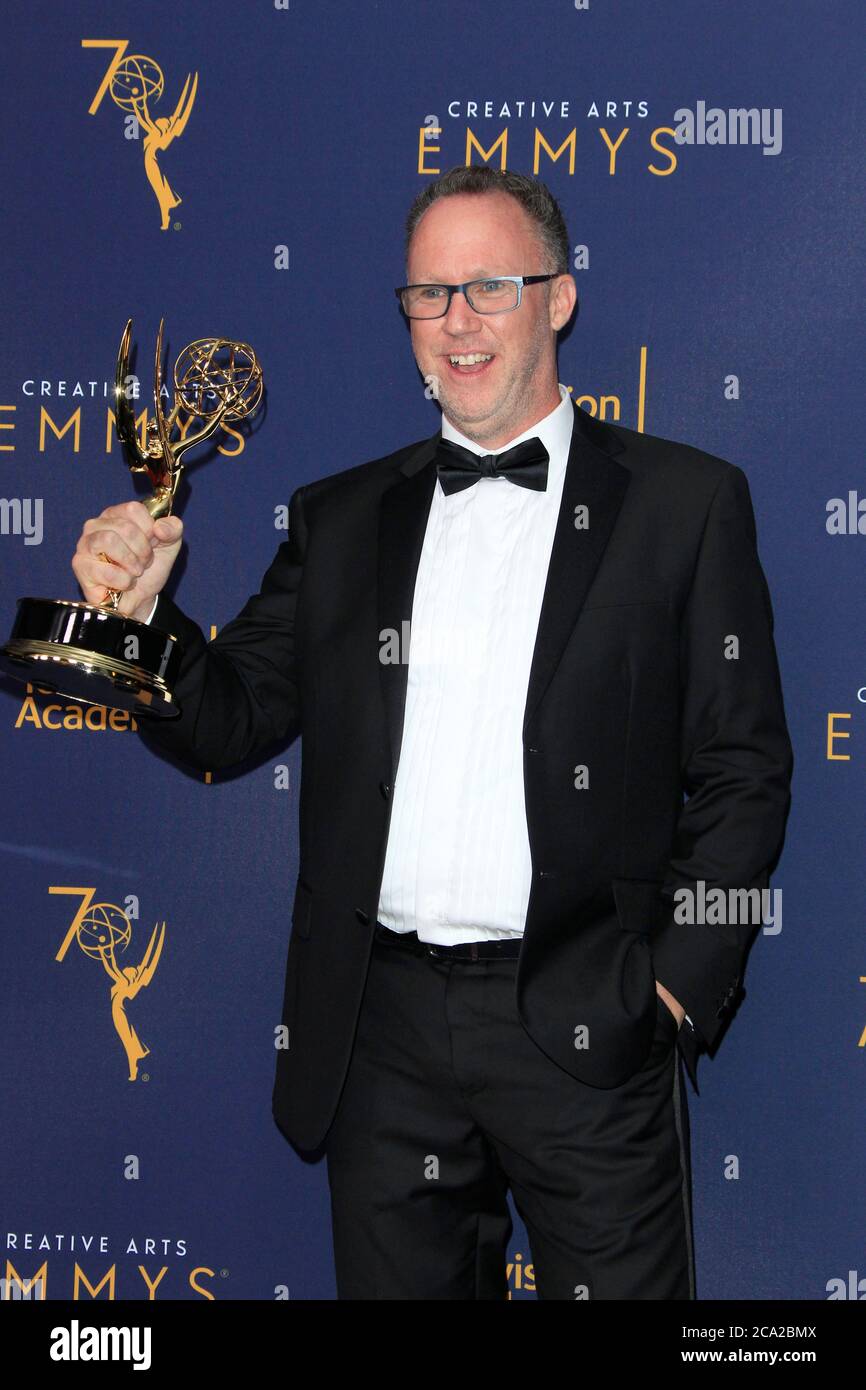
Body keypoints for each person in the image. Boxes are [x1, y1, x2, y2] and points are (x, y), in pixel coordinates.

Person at [71, 165, 793, 1300]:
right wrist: (146, 619)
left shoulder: (683, 504)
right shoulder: (341, 517)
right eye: (427, 294)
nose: (456, 323)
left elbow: (744, 772)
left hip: (583, 1019)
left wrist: (669, 989)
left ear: (557, 298)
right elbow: (229, 719)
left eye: (488, 287)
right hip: (380, 1030)